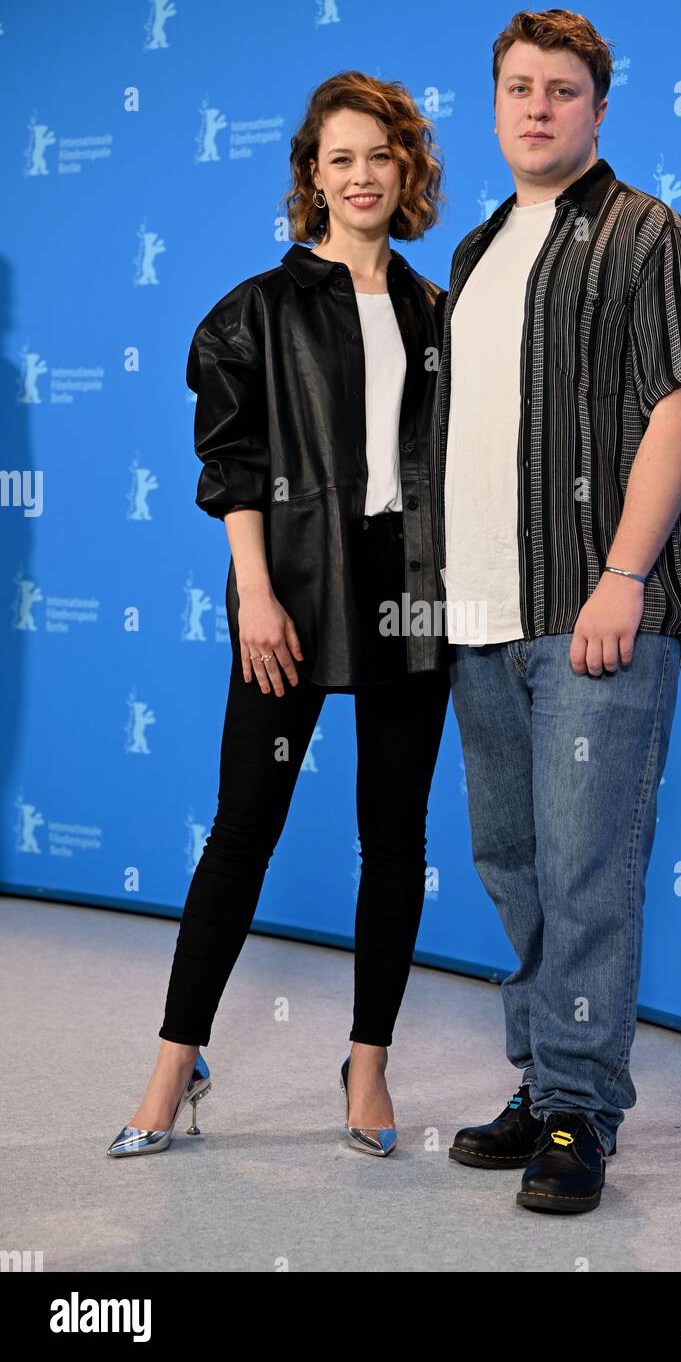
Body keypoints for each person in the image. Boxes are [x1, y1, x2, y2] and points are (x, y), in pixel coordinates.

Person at [107, 72, 451, 1160]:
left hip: (410, 593)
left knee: (393, 835)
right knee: (243, 828)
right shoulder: (253, 308)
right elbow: (235, 462)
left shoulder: (433, 310)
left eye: (379, 157)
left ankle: (366, 1065)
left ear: (406, 173)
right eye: (339, 158)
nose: (360, 176)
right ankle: (174, 1061)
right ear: (311, 175)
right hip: (291, 593)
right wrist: (253, 591)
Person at [430, 9, 681, 1213]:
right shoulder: (477, 248)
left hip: (592, 605)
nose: (537, 106)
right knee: (513, 863)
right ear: (493, 105)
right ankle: (544, 1079)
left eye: (561, 89)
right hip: (479, 614)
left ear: (598, 108)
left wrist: (622, 576)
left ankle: (579, 1115)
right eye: (516, 87)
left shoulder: (649, 234)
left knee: (587, 865)